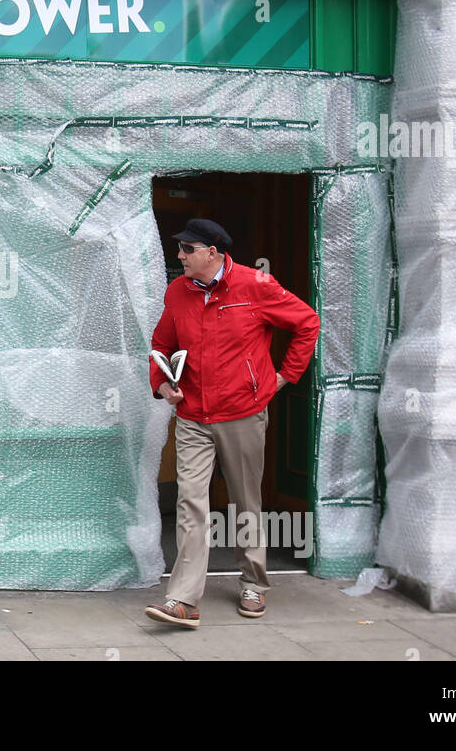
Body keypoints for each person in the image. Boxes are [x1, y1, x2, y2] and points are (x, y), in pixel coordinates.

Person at [144, 218, 319, 628]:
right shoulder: (178, 291)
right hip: (192, 414)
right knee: (190, 501)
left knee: (244, 500)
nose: (180, 255)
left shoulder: (255, 285)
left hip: (242, 411)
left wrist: (284, 376)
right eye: (180, 248)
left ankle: (254, 582)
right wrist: (162, 384)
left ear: (213, 252)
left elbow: (306, 322)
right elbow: (162, 344)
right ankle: (183, 600)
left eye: (188, 249)